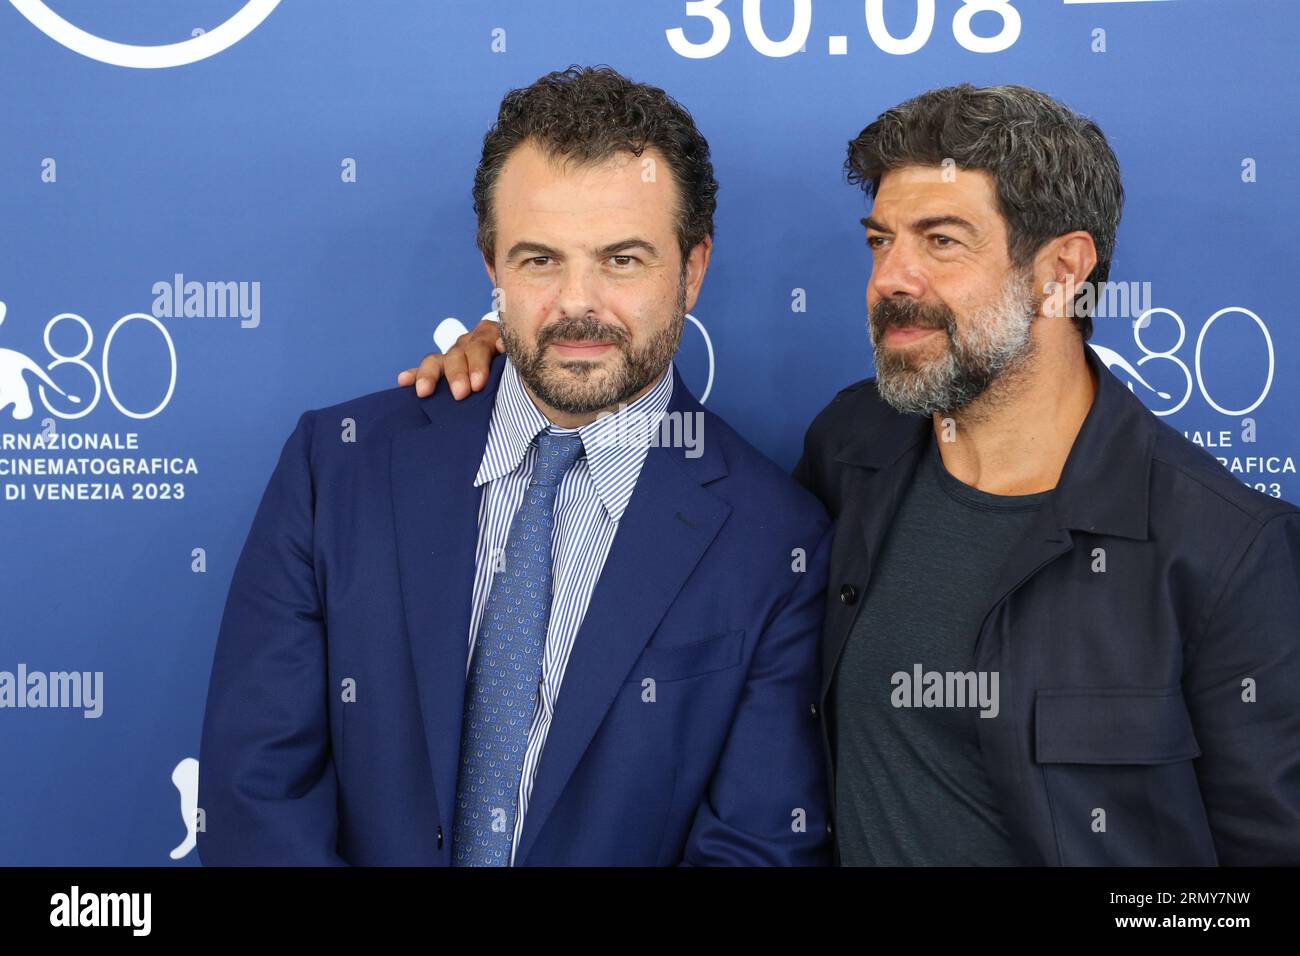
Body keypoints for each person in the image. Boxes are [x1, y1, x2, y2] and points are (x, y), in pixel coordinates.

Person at [411, 83, 1300, 866]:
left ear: (1061, 271)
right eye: (881, 240)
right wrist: (537, 350)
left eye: (940, 241)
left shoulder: (1228, 552)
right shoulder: (853, 453)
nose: (890, 278)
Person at [198, 66, 832, 866]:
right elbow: (258, 797)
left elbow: (755, 846)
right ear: (493, 264)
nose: (578, 303)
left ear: (693, 269)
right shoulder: (338, 467)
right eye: (539, 260)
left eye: (623, 260)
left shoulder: (778, 540)